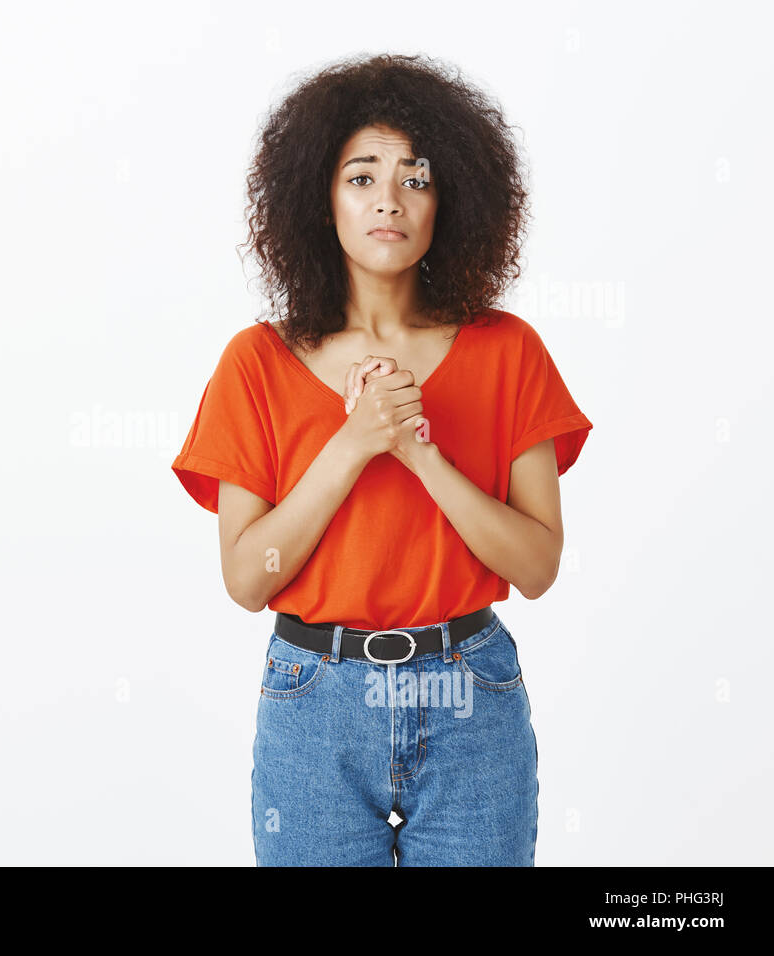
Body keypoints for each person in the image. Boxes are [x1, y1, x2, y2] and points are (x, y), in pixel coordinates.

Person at [171, 53, 593, 866]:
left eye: (416, 177)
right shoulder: (255, 363)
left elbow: (537, 567)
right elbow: (247, 577)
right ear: (318, 198)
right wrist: (354, 441)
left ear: (452, 199)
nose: (389, 200)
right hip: (314, 707)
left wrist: (419, 450)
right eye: (362, 177)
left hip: (471, 696)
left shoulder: (507, 352)